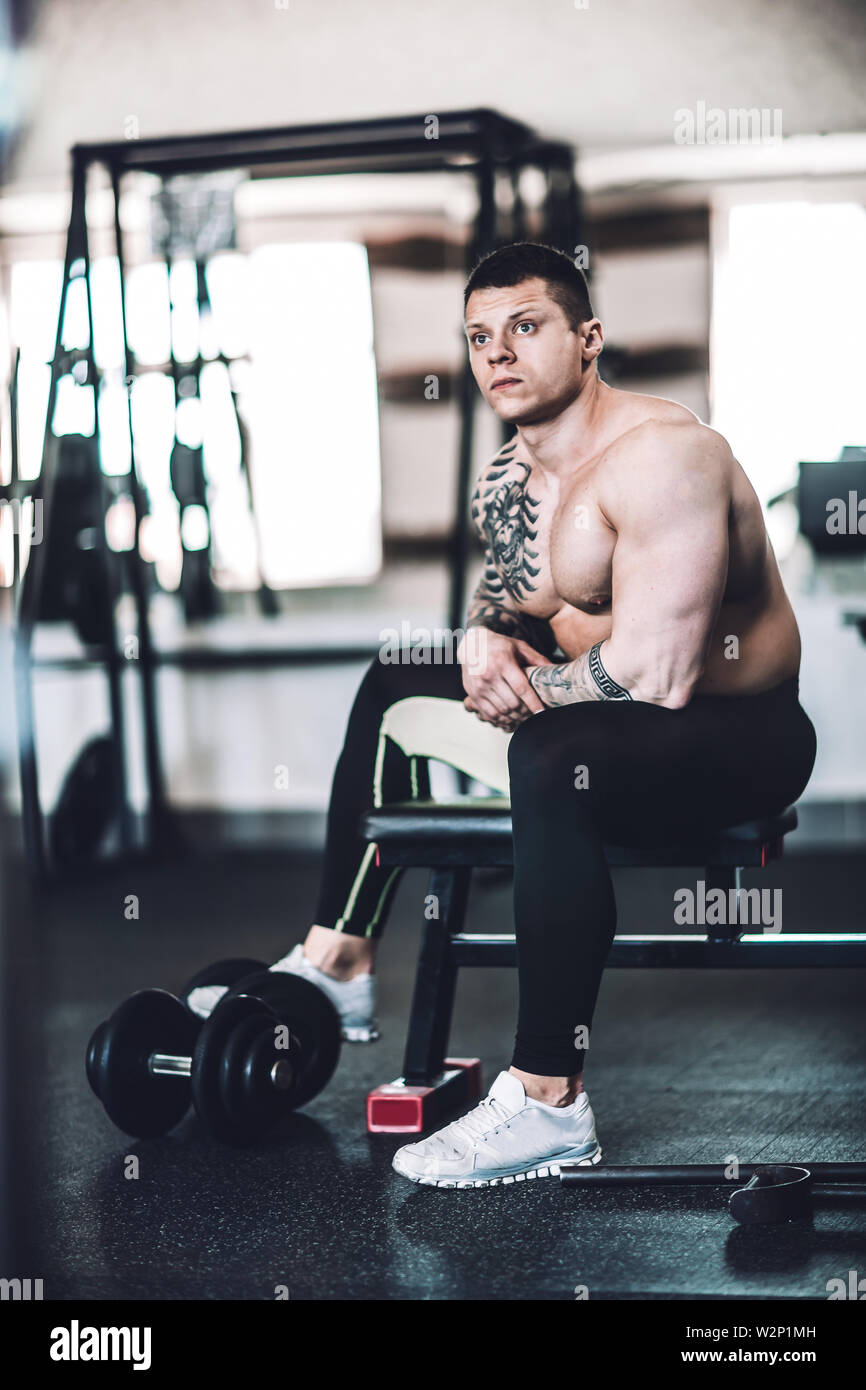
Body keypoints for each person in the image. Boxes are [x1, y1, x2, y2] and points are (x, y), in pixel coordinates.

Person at [190, 241, 817, 1189]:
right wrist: (482, 639)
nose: (498, 354)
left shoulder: (668, 458)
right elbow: (513, 600)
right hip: (607, 721)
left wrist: (524, 695)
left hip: (742, 736)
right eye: (481, 336)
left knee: (552, 750)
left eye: (526, 327)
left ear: (589, 337)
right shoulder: (508, 478)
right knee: (401, 675)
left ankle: (548, 1100)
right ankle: (339, 960)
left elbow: (661, 668)